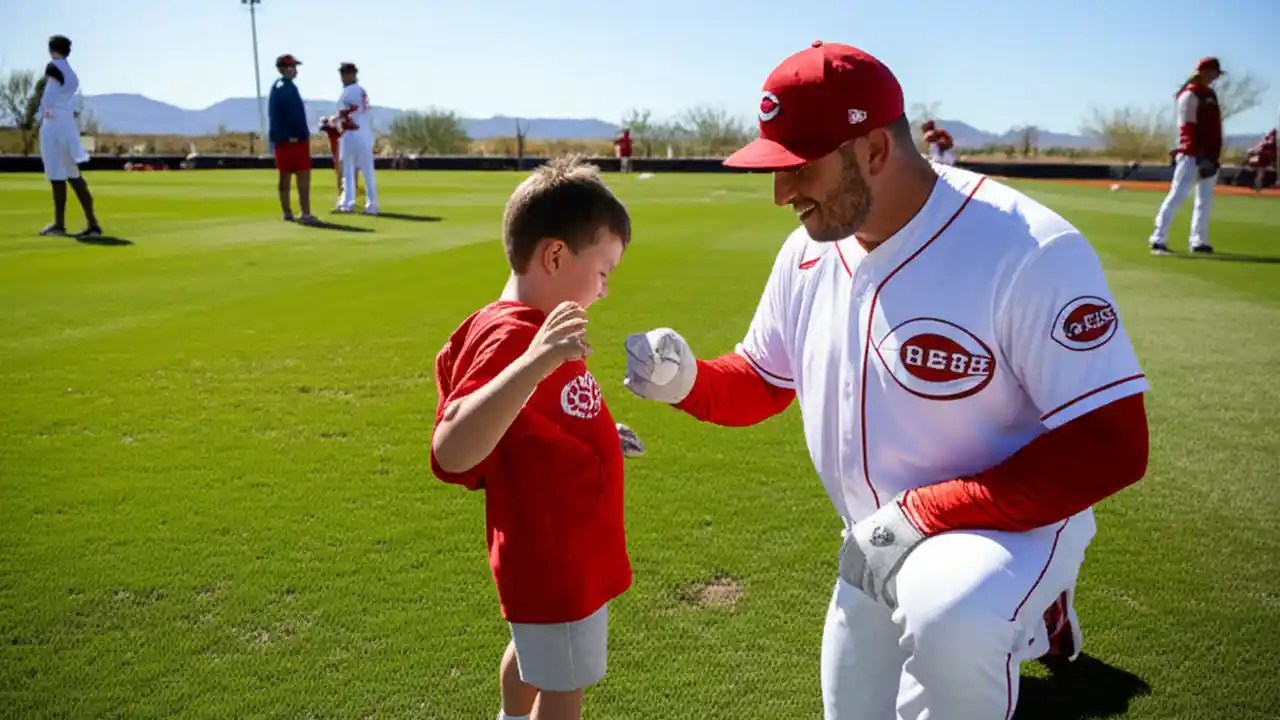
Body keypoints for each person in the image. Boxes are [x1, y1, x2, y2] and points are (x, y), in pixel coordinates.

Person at [623, 41, 1150, 720]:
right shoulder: (808, 251)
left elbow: (1112, 445)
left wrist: (927, 512)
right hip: (874, 537)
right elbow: (762, 377)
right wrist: (687, 381)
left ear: (873, 149)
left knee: (949, 619)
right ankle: (1034, 617)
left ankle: (1021, 598)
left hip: (1012, 523)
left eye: (800, 167)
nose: (781, 192)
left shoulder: (1030, 249)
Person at [430, 157, 640, 720]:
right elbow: (451, 450)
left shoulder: (521, 326)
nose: (603, 291)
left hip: (558, 550)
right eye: (602, 273)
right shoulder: (517, 337)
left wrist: (599, 436)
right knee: (563, 685)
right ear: (554, 255)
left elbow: (527, 422)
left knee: (534, 655)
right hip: (555, 555)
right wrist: (539, 358)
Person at [1149, 56, 1224, 255]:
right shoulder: (1190, 95)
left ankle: (1198, 240)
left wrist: (1213, 156)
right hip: (1192, 155)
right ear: (1204, 71)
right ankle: (1158, 238)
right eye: (1214, 72)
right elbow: (1187, 127)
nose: (1216, 76)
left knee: (1204, 201)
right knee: (1177, 196)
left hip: (1210, 156)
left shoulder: (1210, 94)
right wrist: (1198, 155)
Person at [33, 34, 103, 238]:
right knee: (73, 173)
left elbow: (50, 82)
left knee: (57, 175)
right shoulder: (71, 74)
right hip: (65, 124)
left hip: (55, 124)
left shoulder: (55, 67)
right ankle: (92, 223)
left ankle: (59, 224)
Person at [267, 54, 320, 225]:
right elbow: (292, 116)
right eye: (292, 67)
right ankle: (305, 213)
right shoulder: (287, 88)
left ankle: (287, 212)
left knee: (285, 175)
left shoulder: (277, 87)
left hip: (281, 140)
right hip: (294, 140)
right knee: (302, 175)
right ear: (283, 68)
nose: (295, 70)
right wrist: (295, 135)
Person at [334, 62, 379, 215]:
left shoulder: (349, 91)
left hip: (352, 134)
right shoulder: (360, 90)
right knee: (367, 172)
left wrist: (334, 120)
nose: (343, 76)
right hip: (364, 134)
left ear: (352, 74)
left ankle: (348, 203)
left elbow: (347, 113)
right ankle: (372, 205)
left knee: (348, 170)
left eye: (346, 73)